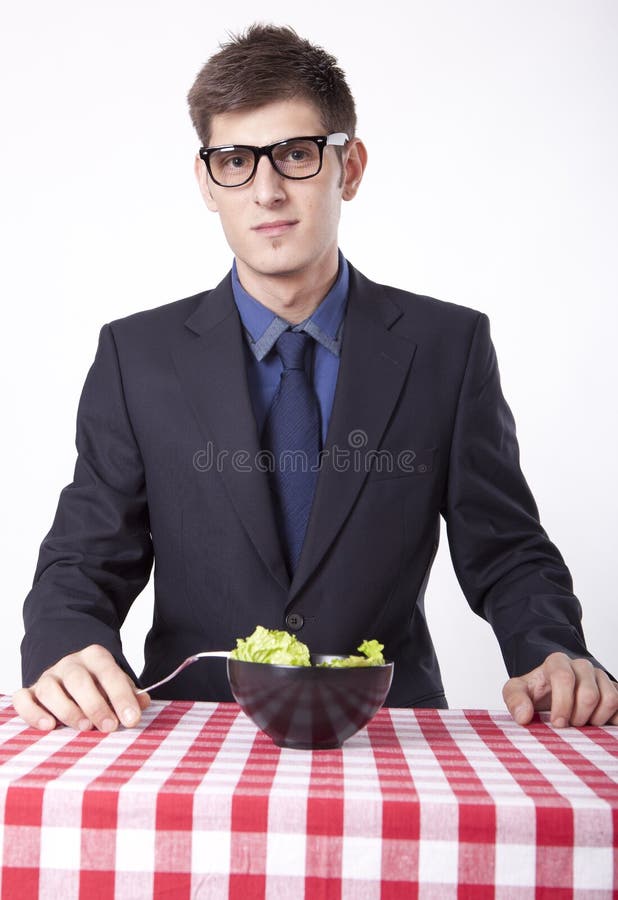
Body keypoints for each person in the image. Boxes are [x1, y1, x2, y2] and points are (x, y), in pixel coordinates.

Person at [13, 24, 617, 734]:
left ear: (349, 168)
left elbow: (506, 548)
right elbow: (85, 557)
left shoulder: (447, 349)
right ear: (208, 182)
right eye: (235, 160)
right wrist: (66, 646)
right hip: (190, 729)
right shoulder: (136, 355)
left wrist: (552, 650)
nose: (266, 191)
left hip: (387, 731)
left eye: (296, 155)